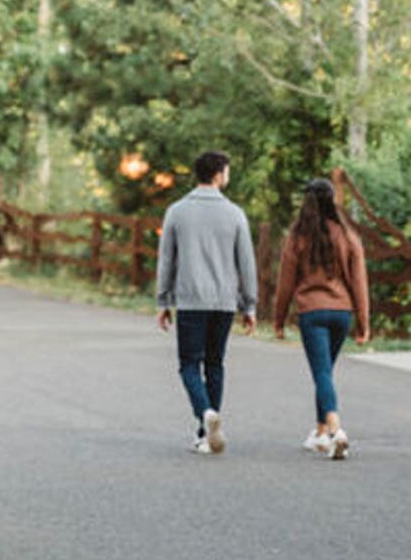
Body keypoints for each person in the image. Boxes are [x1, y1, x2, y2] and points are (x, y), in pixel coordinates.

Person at [154, 150, 257, 454]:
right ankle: (205, 431)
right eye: (227, 171)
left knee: (189, 364)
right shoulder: (235, 213)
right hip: (224, 302)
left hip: (190, 300)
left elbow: (166, 260)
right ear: (218, 174)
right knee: (215, 364)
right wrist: (249, 305)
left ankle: (205, 416)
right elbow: (246, 264)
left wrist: (164, 301)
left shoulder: (177, 211)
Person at [270, 177, 371, 460]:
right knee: (324, 372)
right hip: (341, 312)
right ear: (333, 201)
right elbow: (359, 282)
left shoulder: (298, 236)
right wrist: (364, 323)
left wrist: (278, 319)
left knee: (322, 373)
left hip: (311, 313)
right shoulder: (348, 236)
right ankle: (319, 433)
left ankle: (336, 431)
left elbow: (286, 282)